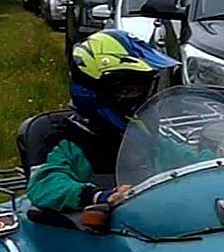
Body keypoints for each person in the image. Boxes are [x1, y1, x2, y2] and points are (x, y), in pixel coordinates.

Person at [27, 29, 178, 211]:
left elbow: (186, 158)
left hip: (155, 218)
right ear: (93, 89)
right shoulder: (67, 140)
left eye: (143, 88)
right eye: (127, 89)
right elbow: (45, 184)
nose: (139, 97)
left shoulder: (143, 135)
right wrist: (97, 196)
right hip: (98, 225)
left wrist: (211, 158)